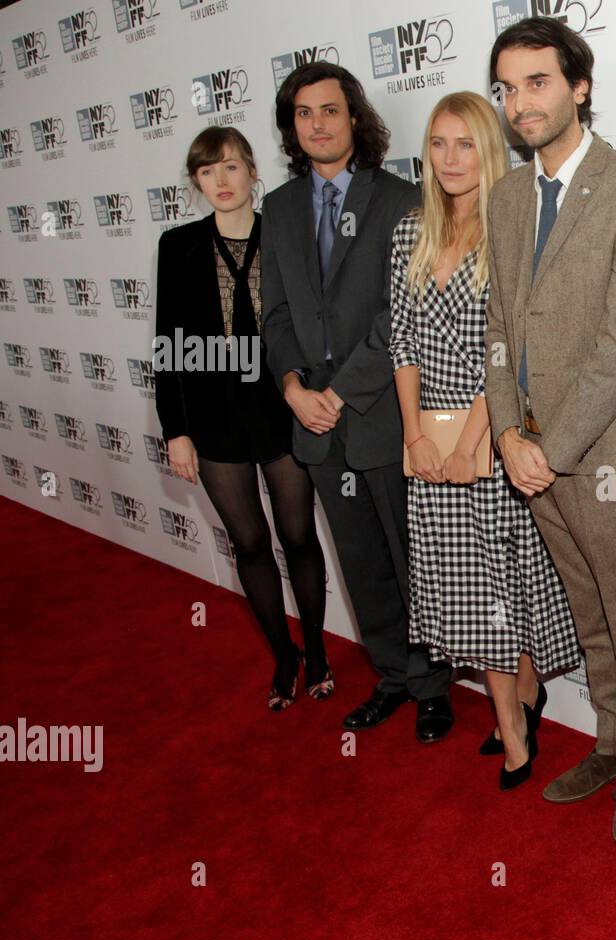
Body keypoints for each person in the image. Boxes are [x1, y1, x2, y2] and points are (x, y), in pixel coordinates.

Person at [484, 17, 616, 842]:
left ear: (579, 86)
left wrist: (548, 451)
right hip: (529, 453)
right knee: (587, 615)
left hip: (605, 454)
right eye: (507, 88)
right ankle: (606, 743)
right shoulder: (504, 196)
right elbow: (498, 325)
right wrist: (505, 433)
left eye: (538, 82)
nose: (520, 103)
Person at [390, 91, 581, 789]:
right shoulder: (409, 233)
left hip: (494, 435)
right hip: (429, 442)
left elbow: (503, 350)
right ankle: (518, 705)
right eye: (438, 144)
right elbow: (402, 342)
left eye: (464, 144)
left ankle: (512, 722)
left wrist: (475, 443)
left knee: (506, 584)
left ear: (489, 150)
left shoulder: (511, 227)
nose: (449, 159)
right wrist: (415, 435)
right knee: (468, 593)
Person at [260, 61, 454, 740]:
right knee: (361, 564)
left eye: (329, 110)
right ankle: (393, 675)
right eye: (303, 113)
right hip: (314, 424)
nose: (317, 124)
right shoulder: (280, 208)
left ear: (354, 118)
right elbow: (275, 313)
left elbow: (403, 315)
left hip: (382, 416)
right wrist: (293, 388)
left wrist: (339, 392)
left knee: (411, 559)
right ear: (291, 127)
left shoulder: (402, 199)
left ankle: (432, 686)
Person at [154, 126, 331, 712]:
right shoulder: (177, 245)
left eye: (230, 166)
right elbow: (169, 343)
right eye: (207, 171)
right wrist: (176, 430)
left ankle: (318, 653)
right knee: (250, 543)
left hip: (282, 409)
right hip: (214, 420)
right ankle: (284, 656)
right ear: (196, 182)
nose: (221, 181)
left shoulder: (285, 235)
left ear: (253, 172)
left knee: (298, 536)